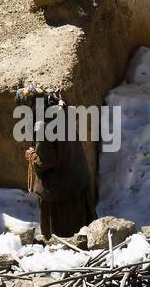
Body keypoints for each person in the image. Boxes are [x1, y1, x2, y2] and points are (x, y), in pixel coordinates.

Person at [21, 89, 95, 239]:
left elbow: (46, 161)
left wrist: (31, 156)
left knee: (63, 239)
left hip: (60, 191)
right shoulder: (63, 111)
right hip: (77, 181)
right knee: (84, 232)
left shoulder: (43, 126)